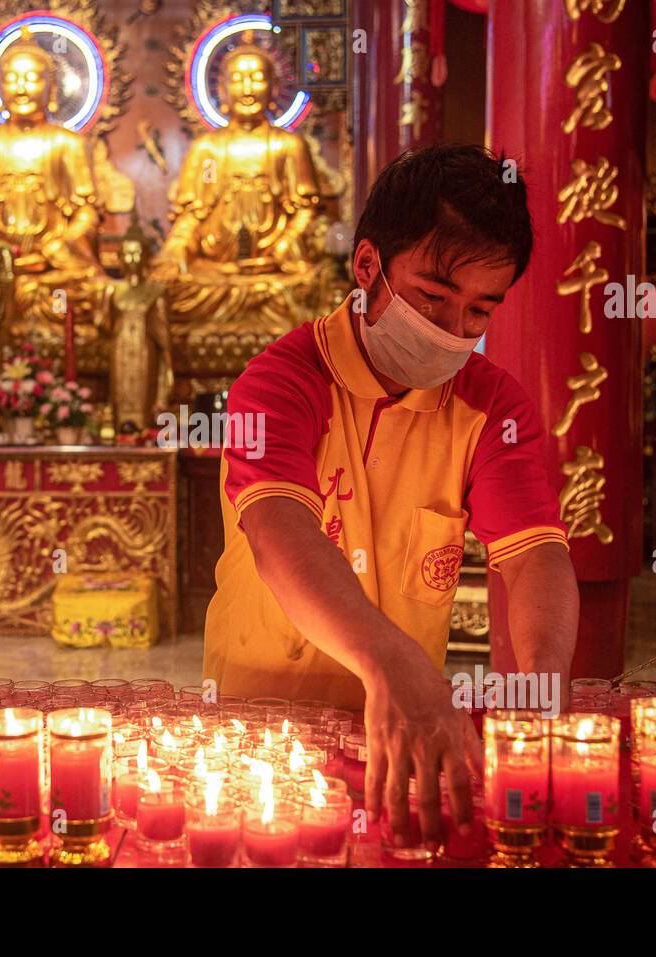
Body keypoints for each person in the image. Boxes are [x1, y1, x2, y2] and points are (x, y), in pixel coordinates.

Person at [203, 144, 579, 848]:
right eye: (433, 297)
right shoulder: (282, 381)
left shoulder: (489, 404)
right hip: (265, 727)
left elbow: (533, 557)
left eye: (478, 309)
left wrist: (541, 692)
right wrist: (391, 658)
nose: (451, 329)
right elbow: (278, 528)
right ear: (368, 266)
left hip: (405, 731)